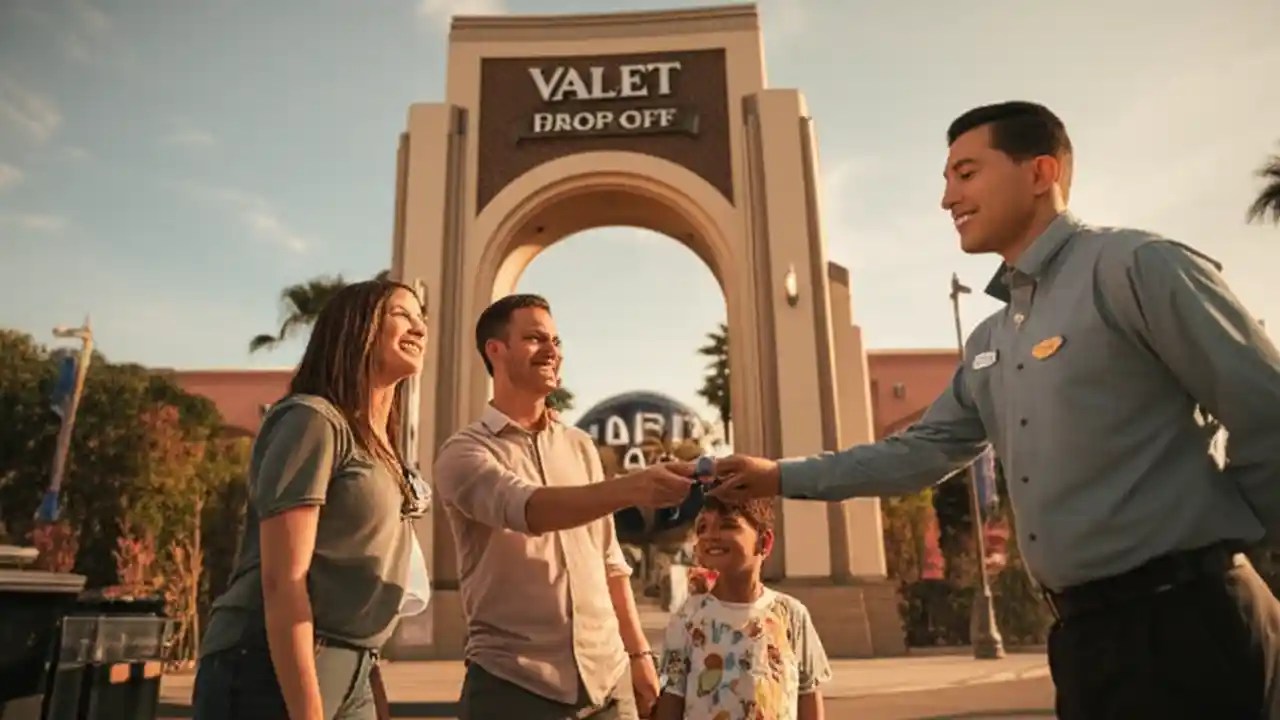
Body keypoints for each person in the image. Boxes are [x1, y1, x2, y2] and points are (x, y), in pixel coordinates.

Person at [708, 101, 1280, 719]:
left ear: (1040, 173)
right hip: (1084, 639)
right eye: (947, 178)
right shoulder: (990, 339)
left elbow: (1266, 410)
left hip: (1191, 623)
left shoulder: (1137, 267)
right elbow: (920, 452)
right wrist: (779, 476)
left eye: (967, 172)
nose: (947, 198)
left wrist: (1231, 541)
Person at [433, 293, 696, 720]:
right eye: (536, 339)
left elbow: (611, 564)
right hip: (513, 686)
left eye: (556, 340)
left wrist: (639, 656)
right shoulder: (464, 454)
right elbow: (529, 510)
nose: (553, 351)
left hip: (609, 686)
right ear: (495, 350)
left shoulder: (580, 447)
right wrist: (632, 488)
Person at [193, 279, 429, 720]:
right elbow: (283, 580)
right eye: (401, 314)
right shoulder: (312, 420)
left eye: (422, 317)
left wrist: (368, 677)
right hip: (270, 661)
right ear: (355, 328)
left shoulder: (384, 448)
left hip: (354, 662)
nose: (419, 327)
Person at [654, 496, 830, 720]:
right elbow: (671, 698)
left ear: (764, 542)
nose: (711, 535)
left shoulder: (791, 615)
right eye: (703, 527)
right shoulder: (688, 619)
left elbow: (808, 693)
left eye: (728, 525)